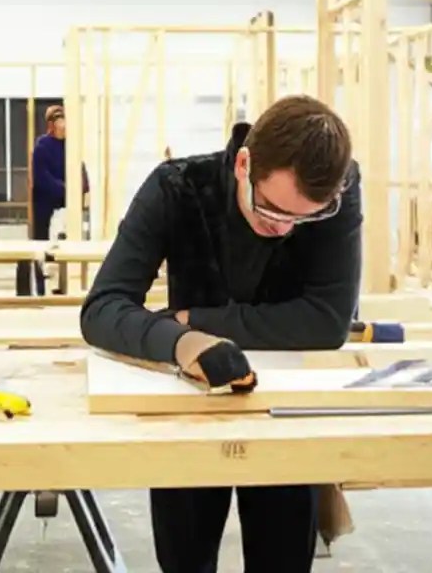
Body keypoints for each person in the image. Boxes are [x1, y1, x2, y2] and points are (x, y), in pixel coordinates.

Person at [80, 96, 361, 572]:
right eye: (271, 209)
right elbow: (103, 308)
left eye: (303, 218)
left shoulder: (333, 194)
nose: (284, 228)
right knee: (185, 559)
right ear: (244, 164)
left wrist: (195, 322)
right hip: (189, 407)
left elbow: (329, 321)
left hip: (284, 417)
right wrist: (181, 344)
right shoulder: (177, 188)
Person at [30, 105, 86, 294]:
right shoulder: (42, 146)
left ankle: (66, 284)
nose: (63, 125)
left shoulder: (71, 146)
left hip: (67, 203)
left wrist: (81, 187)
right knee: (42, 245)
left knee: (69, 242)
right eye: (59, 121)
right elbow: (41, 177)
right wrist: (66, 189)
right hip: (45, 204)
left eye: (65, 120)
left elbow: (81, 172)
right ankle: (40, 288)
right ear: (52, 124)